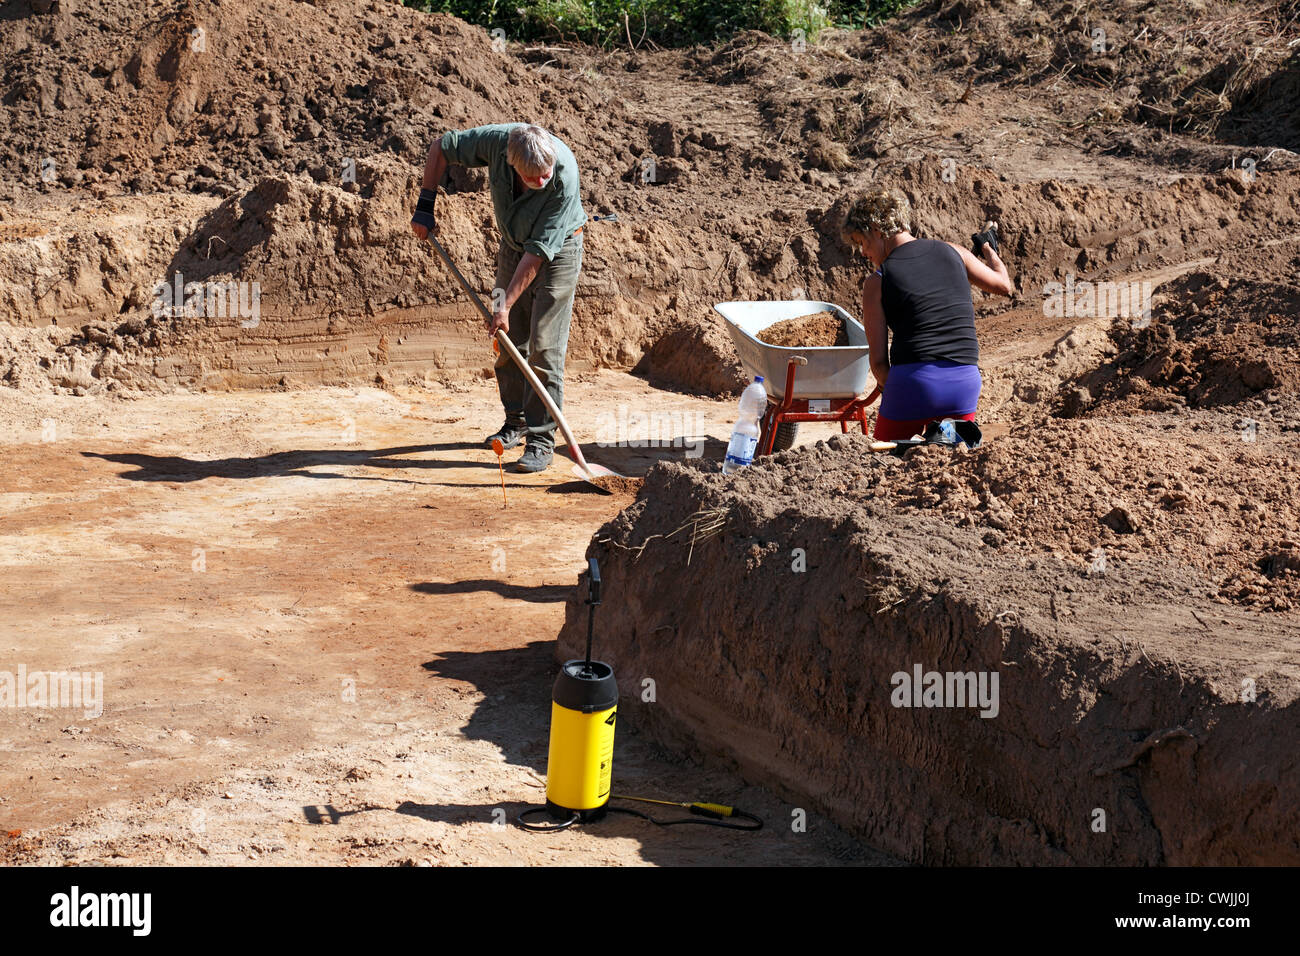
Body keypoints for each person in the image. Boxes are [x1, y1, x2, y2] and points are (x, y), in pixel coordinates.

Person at [411, 123, 587, 473]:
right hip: (511, 247)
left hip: (559, 252)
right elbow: (440, 148)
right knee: (505, 339)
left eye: (545, 175)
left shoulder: (564, 178)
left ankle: (541, 440)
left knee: (544, 347)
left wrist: (504, 304)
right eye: (533, 178)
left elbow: (537, 255)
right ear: (512, 164)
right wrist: (425, 204)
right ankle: (516, 421)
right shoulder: (495, 143)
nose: (542, 181)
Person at [841, 187, 1013, 441]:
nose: (864, 252)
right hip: (964, 384)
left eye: (862, 242)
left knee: (883, 466)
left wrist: (901, 393)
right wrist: (988, 248)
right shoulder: (956, 252)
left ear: (877, 230)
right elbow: (1004, 285)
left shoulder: (877, 281)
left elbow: (878, 364)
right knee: (950, 463)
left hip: (914, 384)